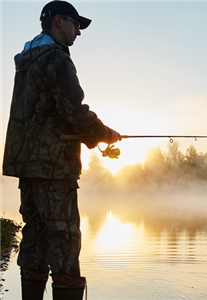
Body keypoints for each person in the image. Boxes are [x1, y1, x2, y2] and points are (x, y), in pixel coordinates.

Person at [2, 1, 121, 299]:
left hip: (27, 165)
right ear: (58, 21)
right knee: (65, 241)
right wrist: (104, 134)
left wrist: (91, 138)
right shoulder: (56, 59)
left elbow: (46, 115)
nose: (79, 32)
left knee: (35, 238)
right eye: (75, 24)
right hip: (54, 167)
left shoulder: (28, 60)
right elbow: (73, 111)